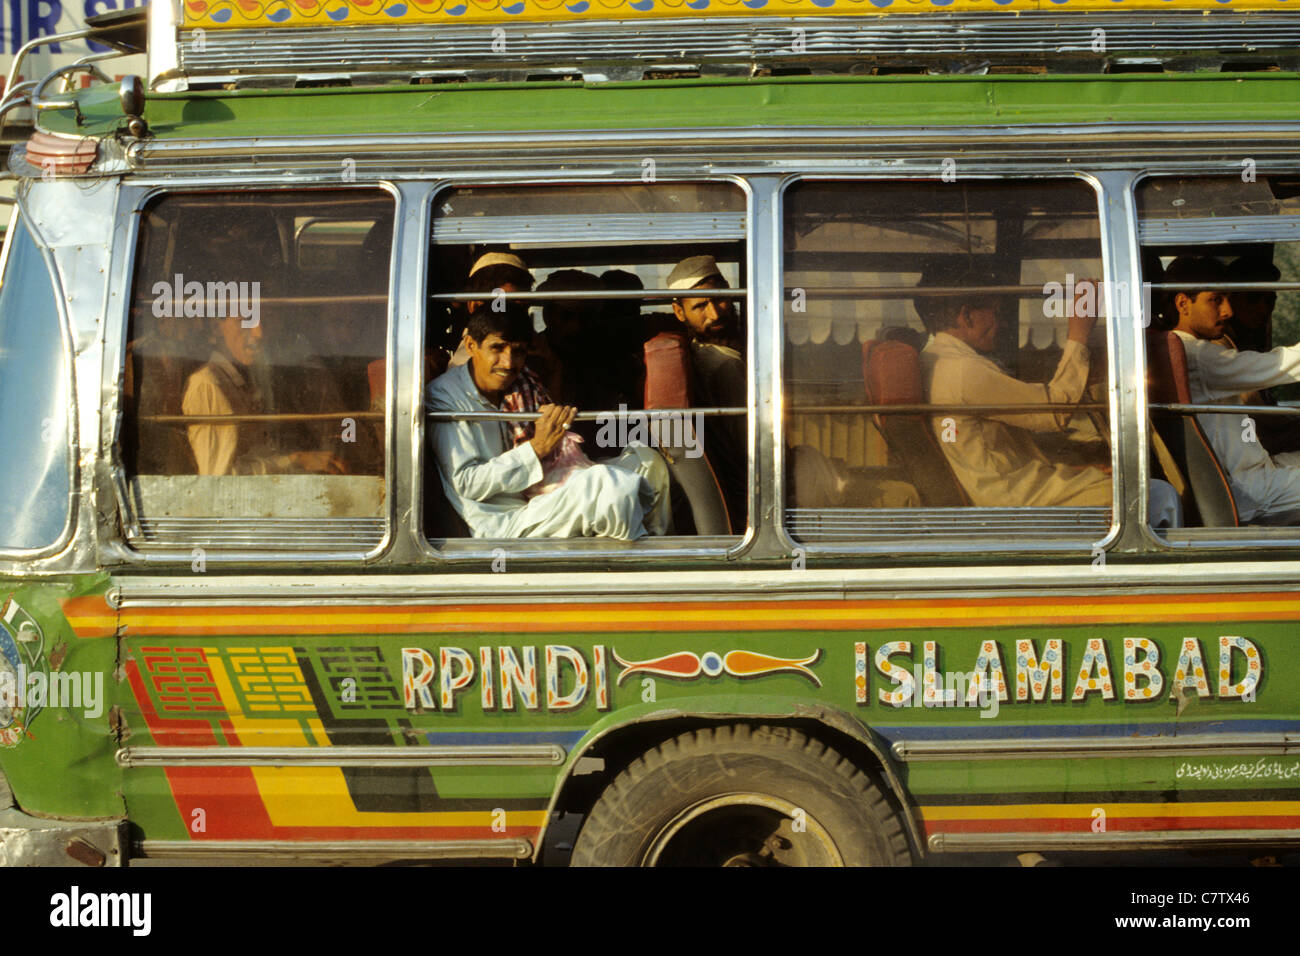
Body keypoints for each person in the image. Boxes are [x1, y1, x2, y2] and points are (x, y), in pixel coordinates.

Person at [919, 265, 1180, 525]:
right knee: (1158, 493)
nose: (1002, 323)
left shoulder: (937, 360)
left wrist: (1078, 471)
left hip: (1010, 486)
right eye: (995, 313)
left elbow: (996, 447)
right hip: (1017, 498)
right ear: (966, 316)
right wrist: (1079, 332)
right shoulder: (963, 370)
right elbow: (1055, 412)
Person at [425, 302, 670, 540]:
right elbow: (467, 483)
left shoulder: (523, 383)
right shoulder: (445, 396)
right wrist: (537, 448)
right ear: (471, 345)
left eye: (517, 351)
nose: (508, 363)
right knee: (605, 484)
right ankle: (634, 562)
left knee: (647, 462)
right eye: (497, 348)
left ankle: (658, 544)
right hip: (506, 520)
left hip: (541, 494)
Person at [1166, 255, 1300, 524]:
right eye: (1216, 299)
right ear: (1183, 304)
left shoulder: (1190, 350)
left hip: (1257, 472)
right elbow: (1277, 366)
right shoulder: (1197, 356)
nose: (1228, 311)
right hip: (1248, 489)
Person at [182, 312, 346, 476]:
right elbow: (218, 480)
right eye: (245, 320)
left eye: (264, 320)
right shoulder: (208, 385)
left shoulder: (250, 378)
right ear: (215, 327)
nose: (259, 333)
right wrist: (295, 460)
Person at [667, 255, 747, 530]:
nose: (715, 313)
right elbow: (749, 447)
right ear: (680, 313)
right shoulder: (725, 365)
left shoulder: (725, 353)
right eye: (700, 306)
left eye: (719, 299)